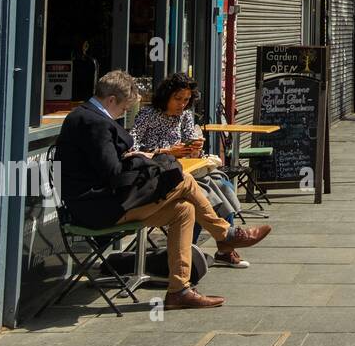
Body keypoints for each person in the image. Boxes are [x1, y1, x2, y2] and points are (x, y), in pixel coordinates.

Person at [57, 70, 272, 310]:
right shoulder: (93, 122)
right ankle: (226, 235)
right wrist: (141, 158)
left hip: (102, 202)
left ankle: (179, 290)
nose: (124, 113)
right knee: (183, 180)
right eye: (124, 108)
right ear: (111, 100)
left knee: (184, 210)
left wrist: (140, 157)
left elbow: (108, 167)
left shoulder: (87, 116)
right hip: (97, 208)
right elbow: (113, 173)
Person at [131, 73, 250, 269]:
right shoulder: (148, 114)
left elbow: (189, 144)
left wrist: (194, 147)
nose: (182, 104)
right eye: (178, 99)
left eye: (186, 100)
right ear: (166, 96)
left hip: (185, 169)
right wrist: (166, 151)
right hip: (158, 175)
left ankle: (222, 248)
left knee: (224, 185)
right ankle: (198, 251)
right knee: (200, 197)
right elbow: (133, 149)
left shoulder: (185, 115)